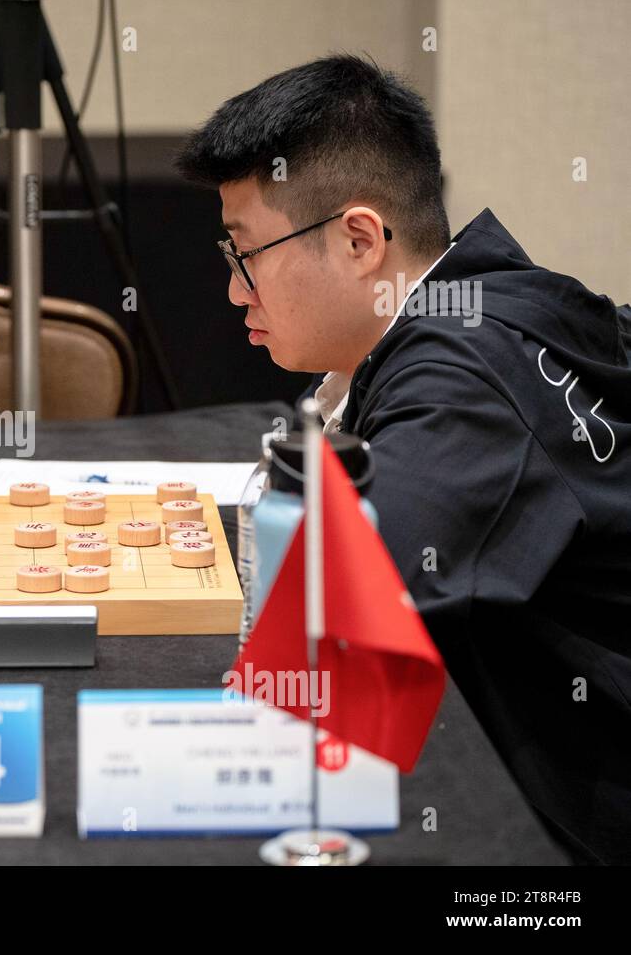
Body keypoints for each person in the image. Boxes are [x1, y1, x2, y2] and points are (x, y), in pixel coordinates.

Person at [176, 53, 631, 864]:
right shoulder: (496, 303)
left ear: (358, 239)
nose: (235, 292)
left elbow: (329, 641)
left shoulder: (464, 379)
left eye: (243, 255)